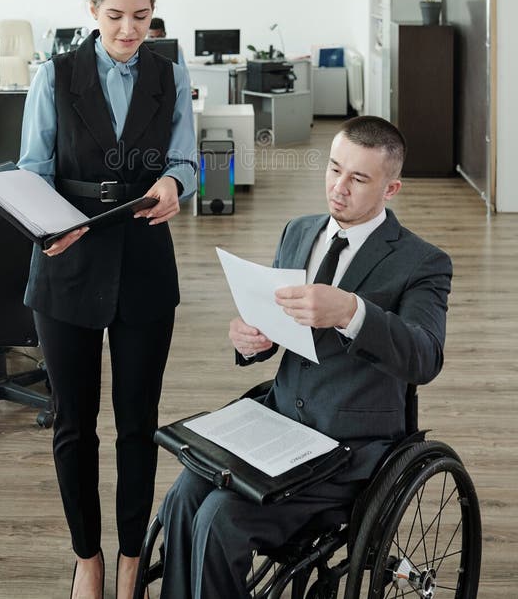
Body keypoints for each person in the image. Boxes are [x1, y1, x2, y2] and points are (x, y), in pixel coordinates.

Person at [157, 115, 452, 599]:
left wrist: (352, 312)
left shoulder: (422, 262)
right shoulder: (300, 230)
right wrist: (253, 340)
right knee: (184, 496)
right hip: (279, 420)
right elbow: (275, 324)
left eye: (358, 179)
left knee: (218, 517)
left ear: (391, 188)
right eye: (334, 169)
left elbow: (425, 357)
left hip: (351, 449)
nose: (339, 188)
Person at [19, 0, 197, 599]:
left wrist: (180, 184)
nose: (129, 30)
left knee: (137, 424)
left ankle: (130, 558)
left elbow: (192, 158)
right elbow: (33, 169)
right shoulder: (55, 75)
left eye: (142, 17)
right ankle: (87, 556)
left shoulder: (170, 76)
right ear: (92, 10)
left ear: (155, 15)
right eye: (116, 15)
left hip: (145, 261)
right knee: (73, 424)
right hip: (67, 263)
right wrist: (48, 225)